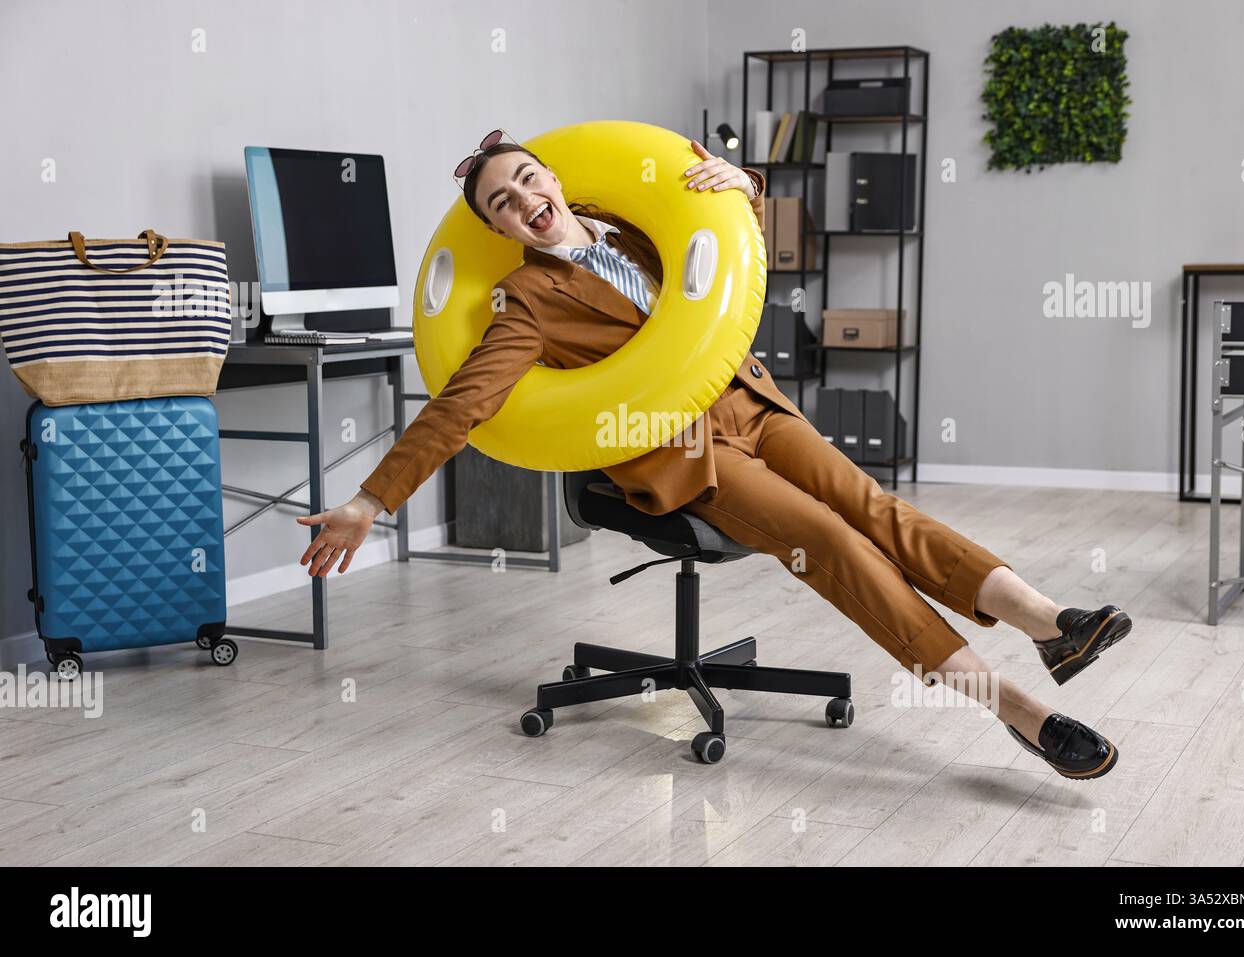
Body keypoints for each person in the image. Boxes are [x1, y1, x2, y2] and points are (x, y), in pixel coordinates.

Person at [297, 129, 1133, 780]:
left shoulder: (639, 222)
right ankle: (1016, 711)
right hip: (683, 454)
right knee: (837, 543)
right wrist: (371, 501)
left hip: (753, 403)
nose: (524, 201)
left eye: (527, 181)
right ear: (499, 228)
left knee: (879, 510)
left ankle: (1053, 623)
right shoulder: (529, 301)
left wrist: (747, 184)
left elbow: (725, 248)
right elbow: (465, 402)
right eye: (503, 203)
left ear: (554, 178)